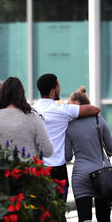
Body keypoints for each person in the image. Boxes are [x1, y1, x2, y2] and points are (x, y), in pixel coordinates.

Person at [33, 74, 100, 203]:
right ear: (53, 91)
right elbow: (94, 109)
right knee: (59, 211)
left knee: (41, 213)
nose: (60, 89)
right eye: (58, 86)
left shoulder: (31, 109)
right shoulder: (62, 110)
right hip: (58, 170)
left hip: (38, 169)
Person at [65, 86, 112, 222]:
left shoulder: (69, 126)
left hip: (80, 176)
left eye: (70, 104)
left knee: (84, 220)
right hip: (103, 175)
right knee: (103, 220)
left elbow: (66, 156)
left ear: (78, 104)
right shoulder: (99, 120)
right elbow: (111, 147)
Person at [0, 77, 53, 159]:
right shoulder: (33, 118)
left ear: (1, 94)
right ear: (22, 94)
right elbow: (47, 151)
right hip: (28, 169)